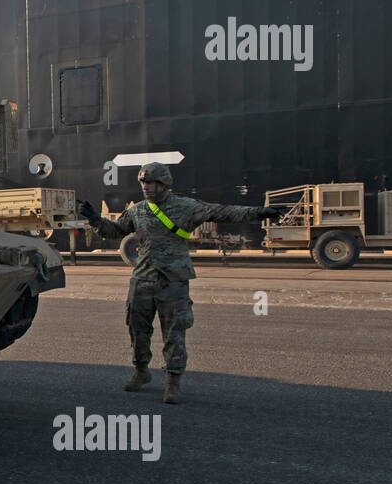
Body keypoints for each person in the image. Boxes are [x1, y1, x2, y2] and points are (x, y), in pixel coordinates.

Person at [78, 163, 283, 404]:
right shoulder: (138, 211)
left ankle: (173, 381)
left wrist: (260, 213)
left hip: (173, 280)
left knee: (174, 332)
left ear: (164, 183)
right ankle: (141, 371)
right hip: (142, 279)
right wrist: (95, 219)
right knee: (137, 329)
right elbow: (116, 231)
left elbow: (223, 211)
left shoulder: (186, 207)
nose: (146, 187)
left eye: (151, 182)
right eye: (143, 182)